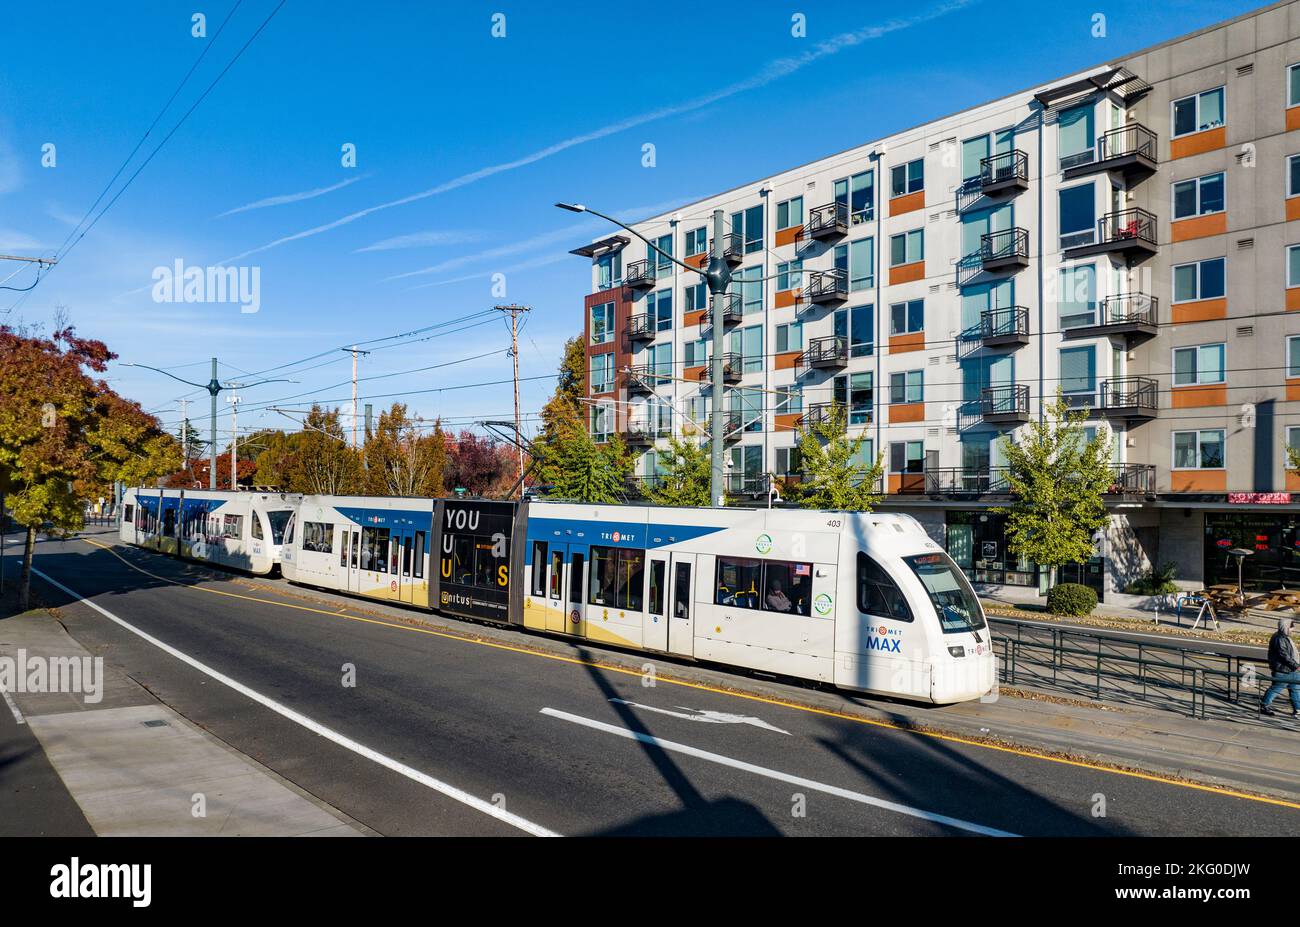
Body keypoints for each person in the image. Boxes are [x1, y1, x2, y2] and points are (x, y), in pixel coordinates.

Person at [1261, 616, 1300, 717]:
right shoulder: (1279, 638)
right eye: (1291, 627)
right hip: (1283, 670)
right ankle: (1264, 706)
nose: (1293, 629)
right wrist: (1296, 666)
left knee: (1295, 690)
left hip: (1291, 670)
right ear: (1286, 627)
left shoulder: (1284, 637)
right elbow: (1284, 655)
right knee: (1276, 689)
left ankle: (1298, 710)